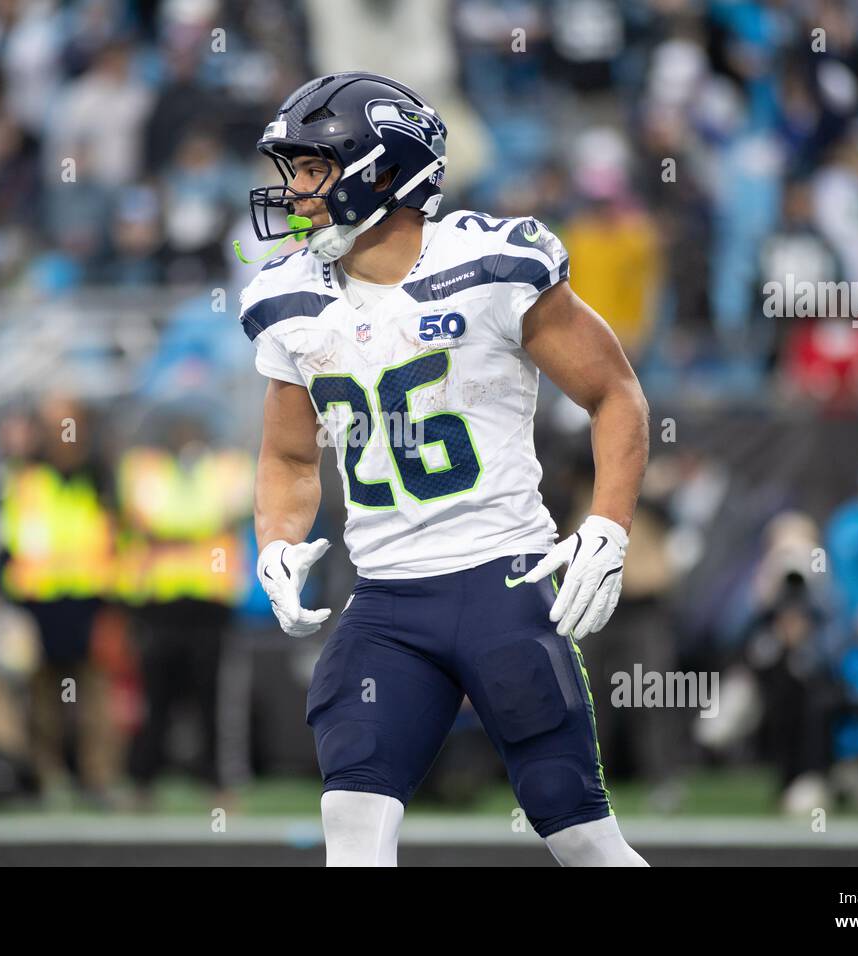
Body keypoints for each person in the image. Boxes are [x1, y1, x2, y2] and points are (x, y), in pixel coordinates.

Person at [238, 73, 650, 866]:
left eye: (313, 168)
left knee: (580, 836)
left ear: (382, 170)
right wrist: (277, 539)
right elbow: (291, 454)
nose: (294, 190)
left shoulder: (490, 264)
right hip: (387, 599)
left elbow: (615, 395)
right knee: (352, 829)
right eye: (290, 169)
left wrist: (607, 525)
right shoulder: (287, 297)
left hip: (504, 582)